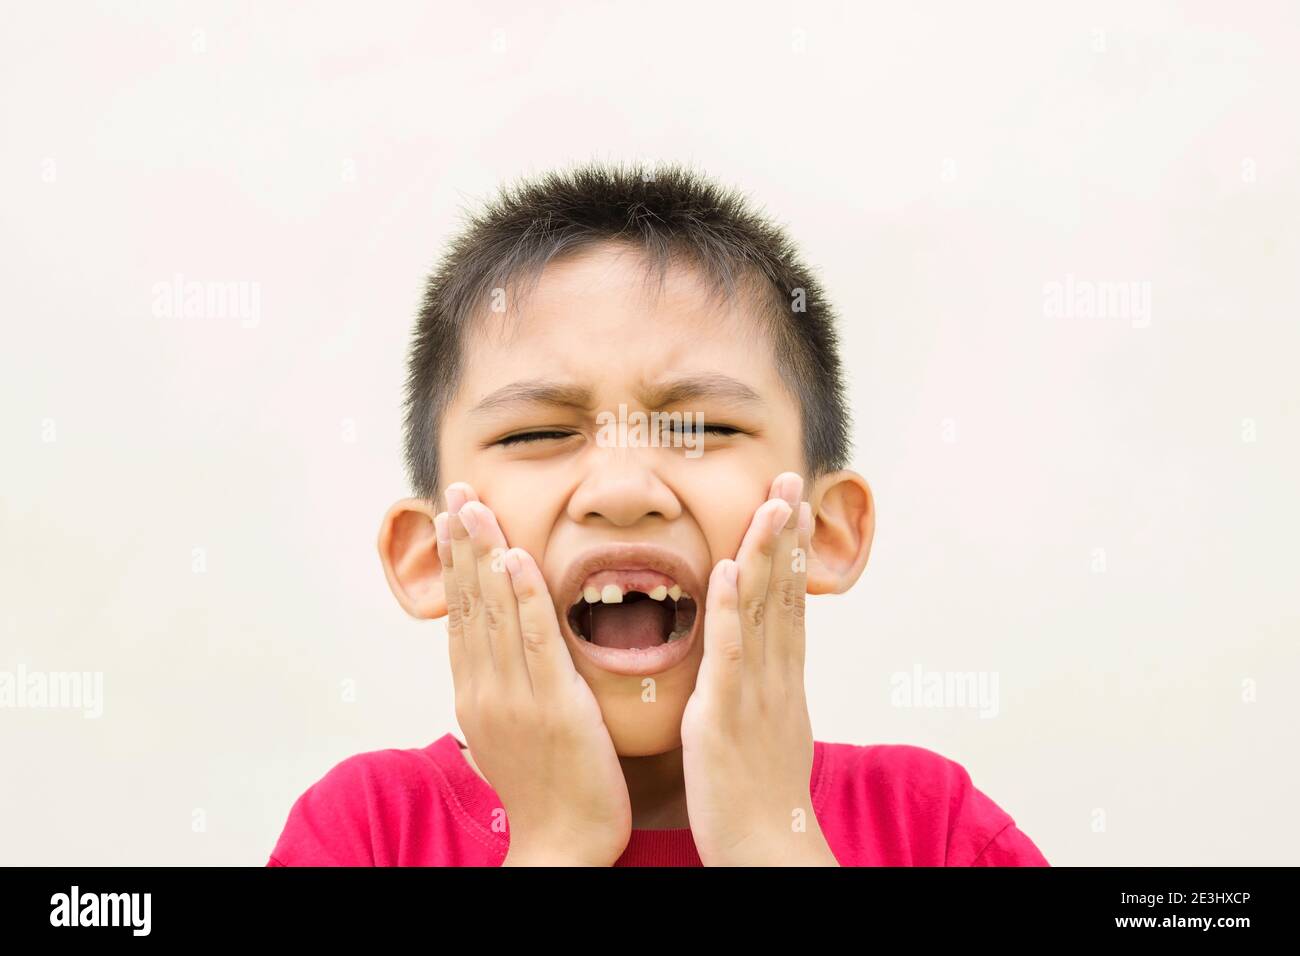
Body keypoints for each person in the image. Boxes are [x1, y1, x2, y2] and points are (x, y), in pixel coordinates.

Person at [267, 162, 1049, 866]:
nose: (623, 489)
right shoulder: (364, 833)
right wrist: (557, 843)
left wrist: (767, 838)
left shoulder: (933, 829)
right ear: (429, 557)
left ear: (828, 533)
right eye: (537, 432)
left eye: (702, 429)